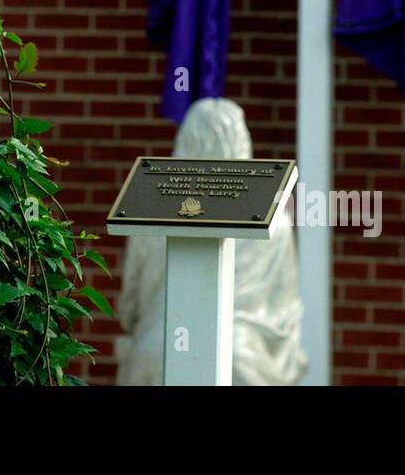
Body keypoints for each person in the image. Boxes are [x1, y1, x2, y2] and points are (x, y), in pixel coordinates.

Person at [115, 97, 309, 385]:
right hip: (245, 361)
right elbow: (285, 313)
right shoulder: (276, 220)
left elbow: (131, 304)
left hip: (157, 352)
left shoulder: (151, 212)